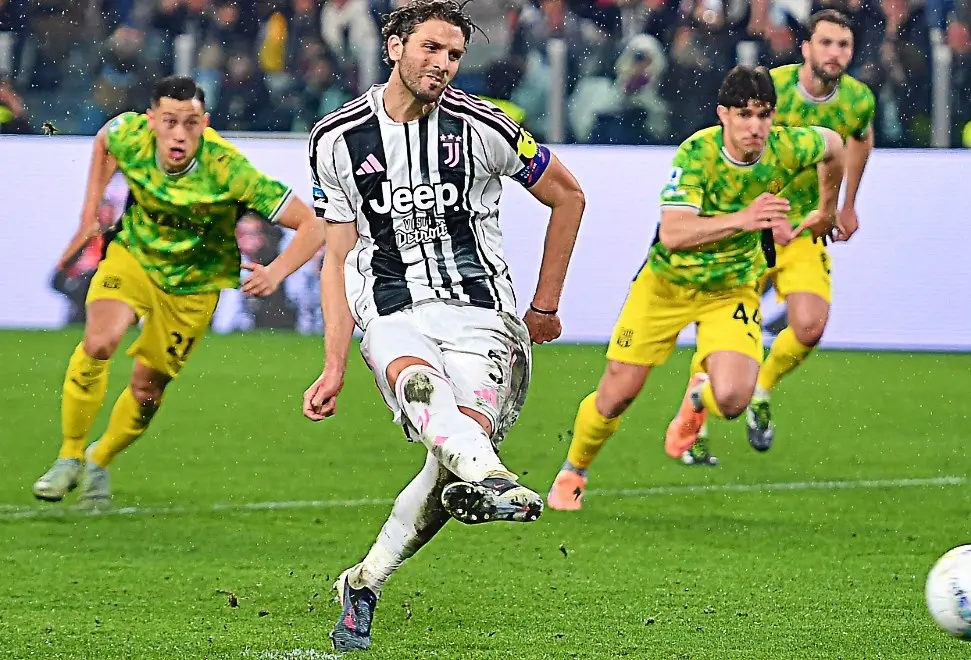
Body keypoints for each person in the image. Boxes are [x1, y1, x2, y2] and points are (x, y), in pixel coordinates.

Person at [301, 0, 586, 652]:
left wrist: (544, 305)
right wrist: (335, 363)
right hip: (392, 309)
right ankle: (499, 481)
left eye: (454, 54)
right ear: (394, 46)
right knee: (421, 390)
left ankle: (365, 582)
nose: (443, 64)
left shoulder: (486, 127)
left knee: (450, 461)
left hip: (483, 316)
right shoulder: (336, 138)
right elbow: (336, 258)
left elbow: (568, 196)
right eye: (431, 48)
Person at [546, 65, 846, 511]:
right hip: (666, 286)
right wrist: (744, 219)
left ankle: (697, 396)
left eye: (764, 115)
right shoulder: (697, 155)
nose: (755, 126)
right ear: (723, 114)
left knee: (733, 399)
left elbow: (834, 146)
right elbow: (673, 233)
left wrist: (827, 209)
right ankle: (574, 470)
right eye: (744, 115)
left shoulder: (786, 147)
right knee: (617, 395)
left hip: (731, 290)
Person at [32, 75, 326, 508]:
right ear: (151, 120)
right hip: (133, 258)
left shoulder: (228, 169)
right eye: (169, 121)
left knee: (147, 390)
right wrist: (90, 213)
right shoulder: (129, 134)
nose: (179, 134)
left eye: (190, 123)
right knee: (99, 342)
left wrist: (277, 272)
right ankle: (69, 455)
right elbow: (105, 140)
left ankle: (99, 457)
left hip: (195, 285)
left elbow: (312, 224)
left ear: (204, 124)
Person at [675, 9, 877, 465]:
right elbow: (738, 145)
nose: (835, 53)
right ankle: (695, 426)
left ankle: (759, 391)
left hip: (804, 227)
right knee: (723, 325)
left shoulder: (858, 99)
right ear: (806, 48)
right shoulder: (773, 89)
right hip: (753, 226)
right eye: (825, 43)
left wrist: (846, 205)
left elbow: (859, 140)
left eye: (843, 45)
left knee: (809, 326)